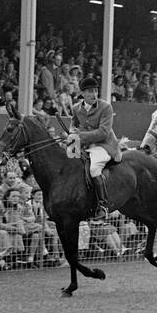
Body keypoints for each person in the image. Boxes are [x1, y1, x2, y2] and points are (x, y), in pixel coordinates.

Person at [69, 76, 121, 212]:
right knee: (68, 160)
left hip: (104, 145)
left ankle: (103, 205)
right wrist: (70, 136)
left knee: (94, 169)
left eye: (95, 91)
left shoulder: (106, 107)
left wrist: (80, 136)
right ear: (82, 94)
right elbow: (73, 126)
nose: (94, 94)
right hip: (85, 144)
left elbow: (103, 132)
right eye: (90, 91)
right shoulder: (75, 108)